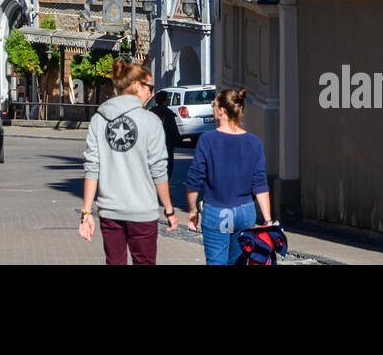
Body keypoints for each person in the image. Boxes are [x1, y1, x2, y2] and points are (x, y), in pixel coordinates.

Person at [79, 60, 177, 265]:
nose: (151, 94)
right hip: (142, 211)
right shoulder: (151, 121)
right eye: (150, 87)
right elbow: (159, 169)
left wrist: (87, 211)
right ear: (137, 85)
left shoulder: (99, 119)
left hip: (110, 210)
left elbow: (92, 168)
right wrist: (169, 209)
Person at [185, 88, 276, 265]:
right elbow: (260, 183)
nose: (213, 108)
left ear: (221, 110)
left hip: (216, 211)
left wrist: (192, 210)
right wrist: (268, 220)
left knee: (216, 262)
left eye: (214, 105)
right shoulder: (254, 142)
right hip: (245, 212)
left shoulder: (207, 139)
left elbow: (194, 179)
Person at [149, 90, 182, 180]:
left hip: (151, 144)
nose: (168, 100)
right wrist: (177, 141)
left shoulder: (150, 113)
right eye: (167, 99)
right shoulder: (168, 114)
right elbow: (173, 132)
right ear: (164, 101)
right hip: (166, 144)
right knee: (167, 168)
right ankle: (163, 188)